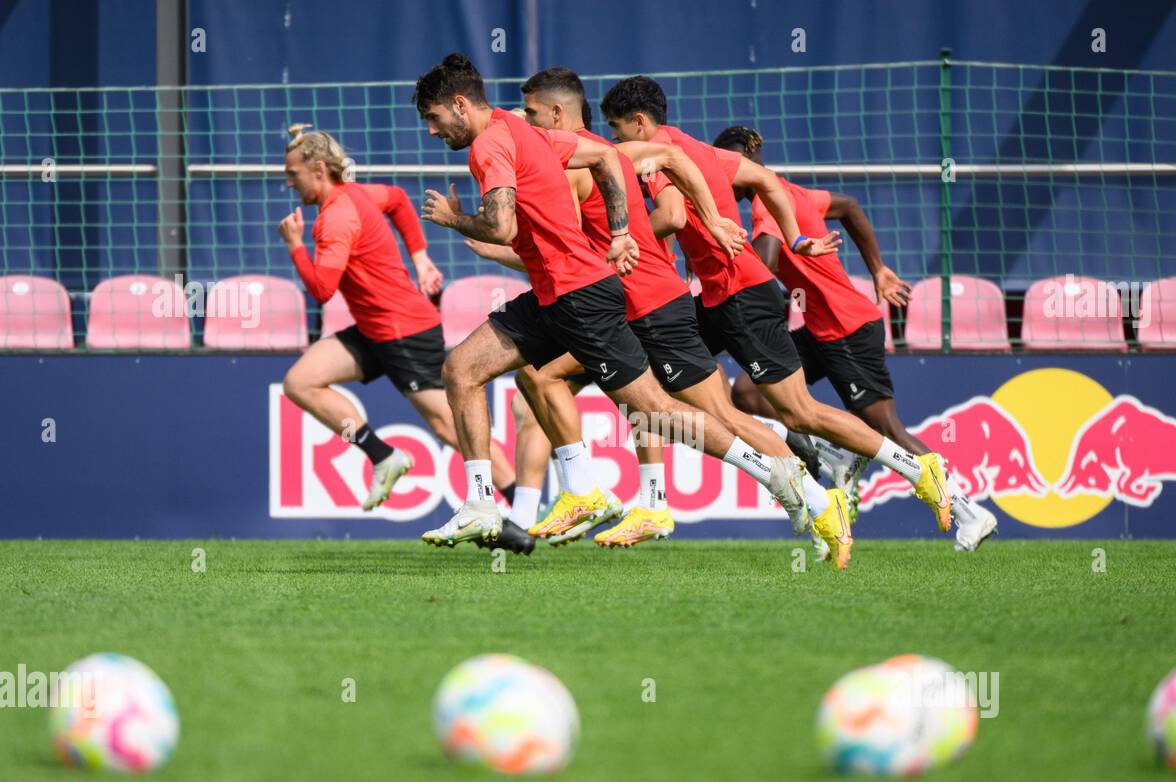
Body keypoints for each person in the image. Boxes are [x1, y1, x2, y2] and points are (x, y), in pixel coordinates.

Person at [409, 54, 811, 553]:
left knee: (658, 411)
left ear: (460, 104)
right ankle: (490, 501)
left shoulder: (491, 146)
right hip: (561, 293)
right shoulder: (520, 130)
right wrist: (622, 232)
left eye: (433, 118)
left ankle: (778, 476)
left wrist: (455, 218)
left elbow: (502, 227)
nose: (431, 131)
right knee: (468, 370)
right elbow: (606, 159)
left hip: (584, 296)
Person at [599, 76, 955, 536]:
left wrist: (618, 241)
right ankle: (655, 501)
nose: (613, 139)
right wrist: (797, 238)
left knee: (799, 412)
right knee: (649, 387)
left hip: (742, 296)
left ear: (640, 123)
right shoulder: (700, 150)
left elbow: (672, 216)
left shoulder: (655, 159)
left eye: (616, 128)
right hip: (718, 298)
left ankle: (914, 468)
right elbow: (766, 179)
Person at [714, 125, 998, 552]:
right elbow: (849, 207)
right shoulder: (792, 193)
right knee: (749, 391)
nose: (719, 180)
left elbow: (766, 265)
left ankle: (968, 511)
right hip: (819, 329)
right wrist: (878, 268)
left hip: (847, 330)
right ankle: (834, 453)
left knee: (886, 429)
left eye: (723, 169)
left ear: (739, 165)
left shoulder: (765, 206)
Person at [276, 123, 515, 512]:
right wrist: (420, 258)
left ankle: (521, 500)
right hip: (376, 329)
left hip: (404, 333)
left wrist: (295, 247)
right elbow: (400, 200)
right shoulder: (357, 194)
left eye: (292, 174)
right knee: (301, 382)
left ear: (319, 170)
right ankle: (384, 456)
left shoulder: (334, 220)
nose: (288, 183)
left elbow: (321, 289)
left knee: (452, 428)